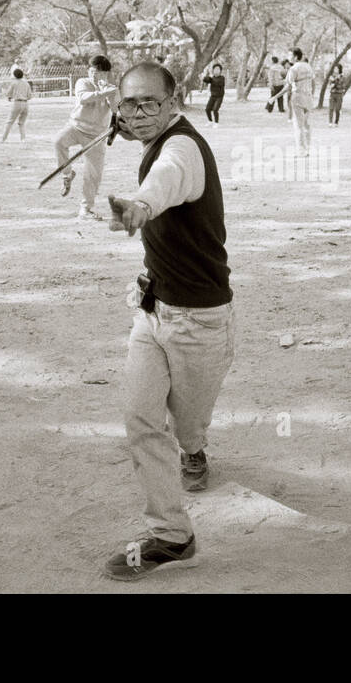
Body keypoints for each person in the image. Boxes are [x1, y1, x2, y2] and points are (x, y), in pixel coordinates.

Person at [102, 62, 234, 581]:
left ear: (173, 102)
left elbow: (166, 183)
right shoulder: (152, 142)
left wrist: (139, 206)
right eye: (128, 104)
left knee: (187, 424)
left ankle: (196, 449)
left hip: (200, 321)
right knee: (140, 419)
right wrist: (147, 272)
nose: (137, 115)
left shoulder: (183, 149)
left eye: (149, 104)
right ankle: (172, 535)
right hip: (153, 311)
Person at [54, 55, 118, 219]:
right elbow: (83, 99)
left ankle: (86, 209)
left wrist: (111, 93)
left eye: (98, 73)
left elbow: (116, 109)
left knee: (93, 174)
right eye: (91, 71)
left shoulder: (112, 88)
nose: (94, 75)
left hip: (97, 136)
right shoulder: (82, 82)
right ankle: (67, 174)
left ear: (106, 74)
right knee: (59, 142)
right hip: (76, 127)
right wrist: (102, 92)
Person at [284, 47, 315, 155]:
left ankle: (301, 150)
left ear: (295, 57)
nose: (288, 57)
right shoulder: (308, 67)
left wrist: (274, 97)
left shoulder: (293, 69)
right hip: (308, 97)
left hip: (298, 97)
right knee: (306, 124)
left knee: (298, 125)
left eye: (290, 55)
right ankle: (308, 148)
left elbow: (288, 85)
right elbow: (312, 82)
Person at [2, 67, 33, 142]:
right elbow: (29, 96)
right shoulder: (26, 83)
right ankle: (23, 139)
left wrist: (7, 95)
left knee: (9, 121)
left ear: (15, 75)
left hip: (17, 103)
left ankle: (3, 139)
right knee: (21, 123)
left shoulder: (14, 83)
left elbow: (8, 93)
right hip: (25, 104)